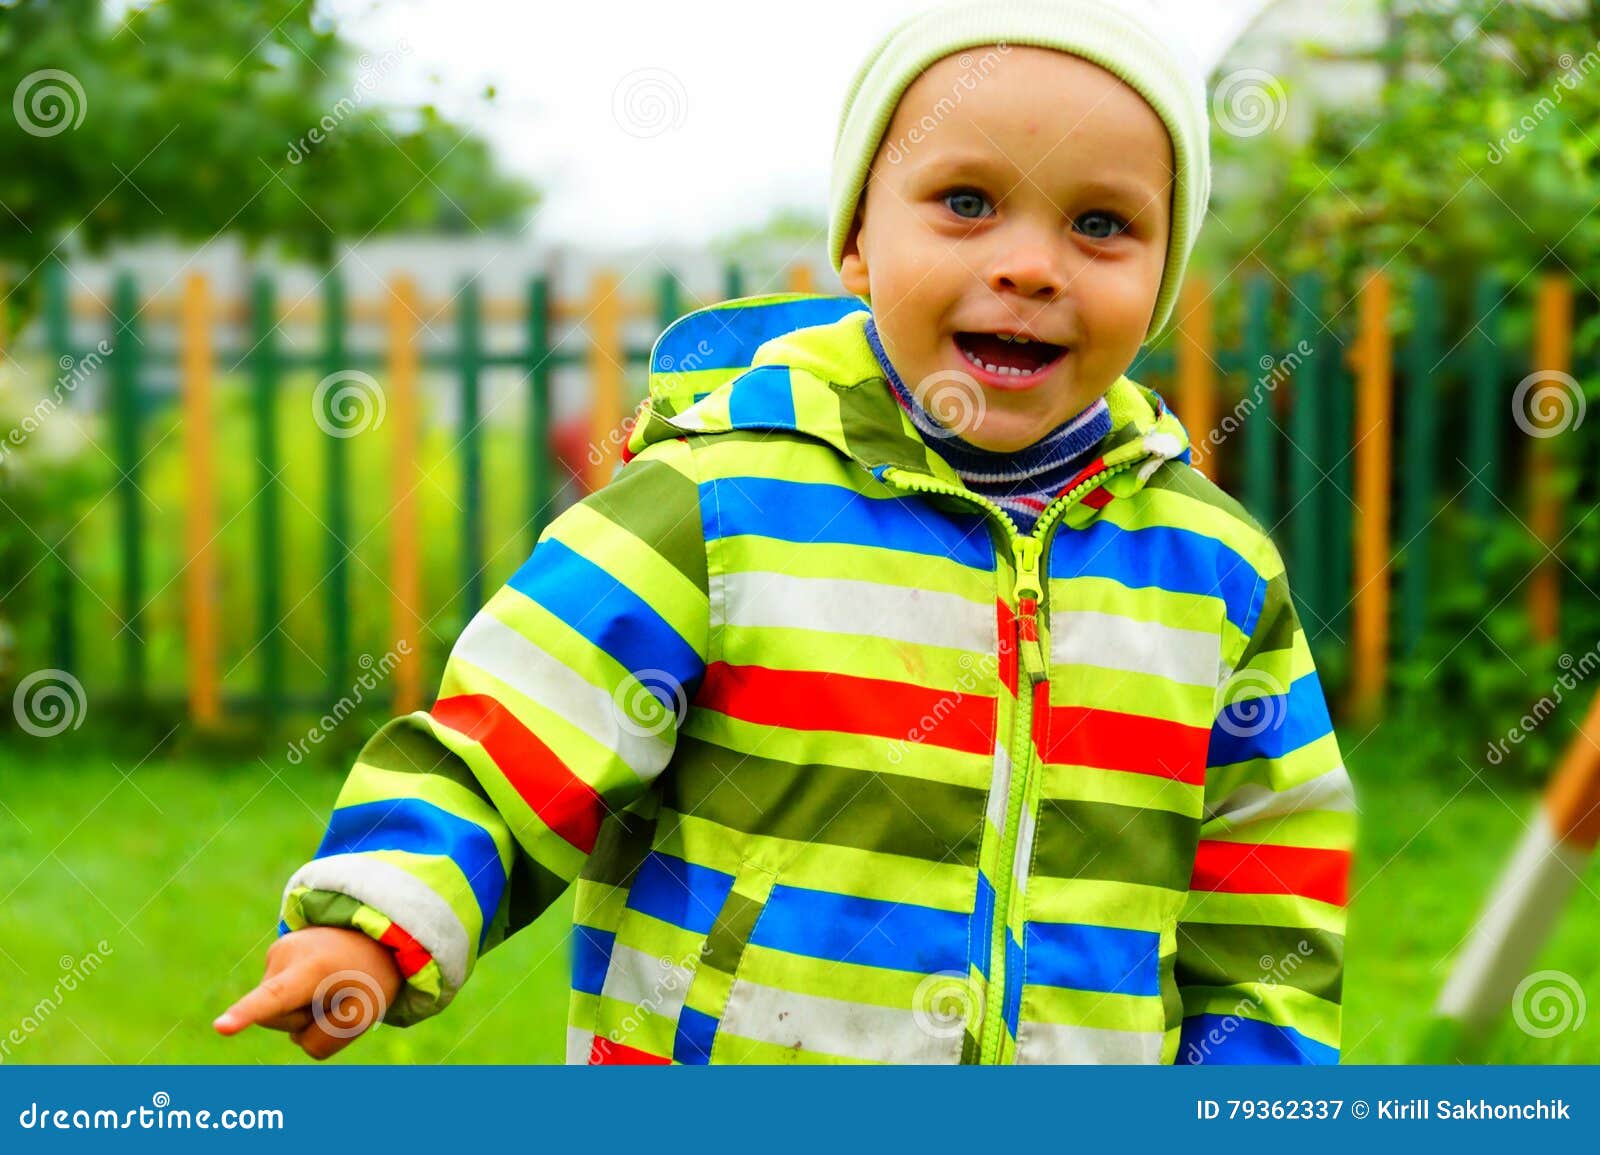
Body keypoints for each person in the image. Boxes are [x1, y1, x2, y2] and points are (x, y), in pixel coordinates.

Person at [216, 0, 1355, 1065]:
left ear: (1159, 281)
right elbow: (513, 739)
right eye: (965, 203)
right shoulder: (718, 505)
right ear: (858, 243)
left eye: (1101, 224)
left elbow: (1268, 875)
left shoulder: (1213, 570)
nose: (1027, 265)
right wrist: (378, 920)